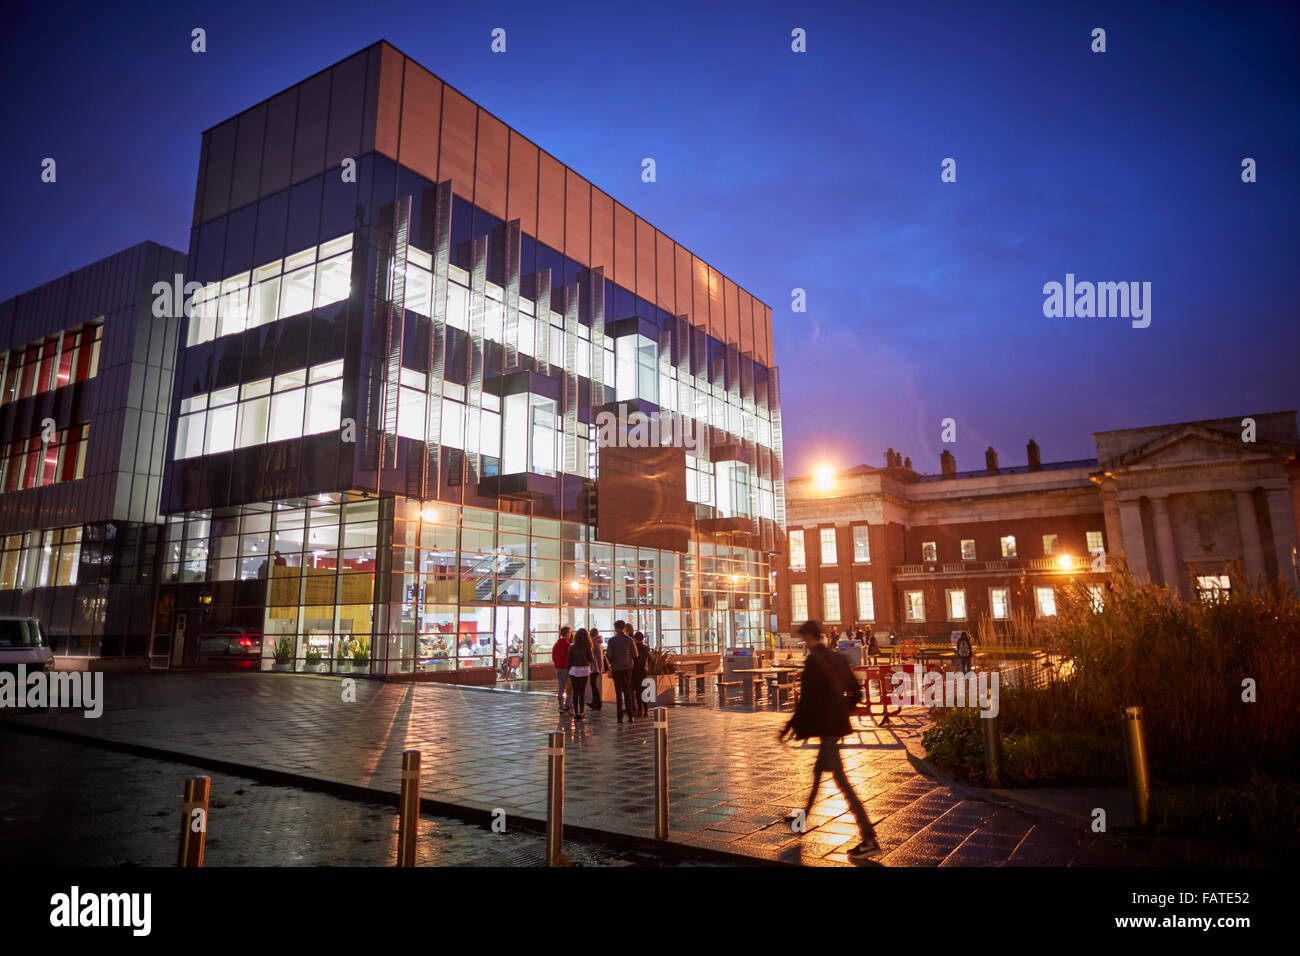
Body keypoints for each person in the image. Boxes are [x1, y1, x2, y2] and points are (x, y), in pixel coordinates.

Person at [779, 619, 879, 864]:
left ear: (811, 638)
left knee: (843, 784)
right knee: (817, 773)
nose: (805, 642)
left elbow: (806, 701)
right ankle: (800, 821)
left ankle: (869, 839)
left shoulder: (813, 662)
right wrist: (842, 711)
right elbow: (856, 692)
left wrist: (788, 727)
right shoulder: (839, 658)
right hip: (835, 726)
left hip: (827, 729)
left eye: (805, 638)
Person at [606, 620, 639, 723]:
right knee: (627, 692)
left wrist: (613, 662)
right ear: (624, 628)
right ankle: (630, 715)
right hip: (627, 669)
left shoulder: (612, 641)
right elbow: (635, 655)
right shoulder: (629, 640)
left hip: (616, 669)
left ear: (616, 628)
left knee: (618, 693)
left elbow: (608, 655)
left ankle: (619, 717)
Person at [567, 629, 594, 721]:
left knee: (575, 691)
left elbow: (569, 660)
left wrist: (569, 670)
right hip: (584, 670)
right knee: (582, 692)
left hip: (574, 670)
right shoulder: (587, 647)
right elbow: (591, 659)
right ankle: (582, 712)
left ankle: (576, 712)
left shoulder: (572, 647)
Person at [552, 626, 573, 714]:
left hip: (558, 668)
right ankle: (567, 706)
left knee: (560, 688)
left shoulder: (556, 644)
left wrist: (557, 665)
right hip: (567, 669)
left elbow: (553, 656)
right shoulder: (568, 645)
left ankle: (561, 707)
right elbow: (571, 657)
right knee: (569, 689)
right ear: (568, 633)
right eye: (570, 633)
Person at [632, 631, 650, 716]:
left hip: (635, 671)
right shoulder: (646, 648)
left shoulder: (634, 648)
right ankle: (646, 709)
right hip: (643, 671)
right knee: (643, 691)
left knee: (637, 691)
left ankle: (639, 710)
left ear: (635, 639)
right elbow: (649, 659)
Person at [589, 629, 606, 711]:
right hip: (596, 667)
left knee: (593, 684)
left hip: (595, 667)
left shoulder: (595, 643)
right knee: (593, 684)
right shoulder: (597, 643)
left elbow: (592, 655)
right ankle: (595, 702)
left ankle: (597, 703)